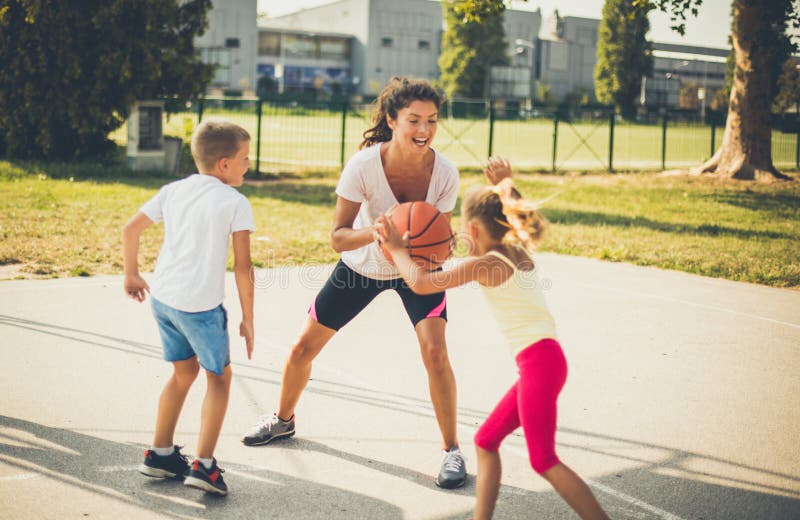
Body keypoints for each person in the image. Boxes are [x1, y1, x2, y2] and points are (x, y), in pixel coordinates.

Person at [241, 77, 467, 489]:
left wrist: (443, 247)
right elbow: (338, 237)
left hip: (416, 270)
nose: (424, 130)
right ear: (392, 119)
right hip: (362, 266)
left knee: (436, 352)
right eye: (414, 120)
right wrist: (379, 234)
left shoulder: (445, 173)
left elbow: (440, 239)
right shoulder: (363, 166)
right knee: (302, 348)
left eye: (432, 120)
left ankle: (451, 450)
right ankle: (283, 419)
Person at [375, 157, 610, 519]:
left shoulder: (485, 264)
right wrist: (506, 185)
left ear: (473, 228)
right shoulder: (515, 250)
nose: (458, 238)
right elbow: (511, 222)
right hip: (544, 361)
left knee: (544, 460)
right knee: (486, 441)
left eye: (461, 231)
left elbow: (421, 283)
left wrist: (397, 250)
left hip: (539, 365)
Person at [122, 119, 256, 496]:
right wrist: (248, 318)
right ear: (224, 164)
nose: (249, 165)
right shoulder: (235, 202)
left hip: (164, 300)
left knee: (183, 373)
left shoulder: (174, 190)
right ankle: (205, 467)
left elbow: (130, 229)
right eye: (245, 158)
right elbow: (243, 267)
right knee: (219, 378)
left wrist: (131, 273)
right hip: (200, 308)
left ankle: (160, 454)